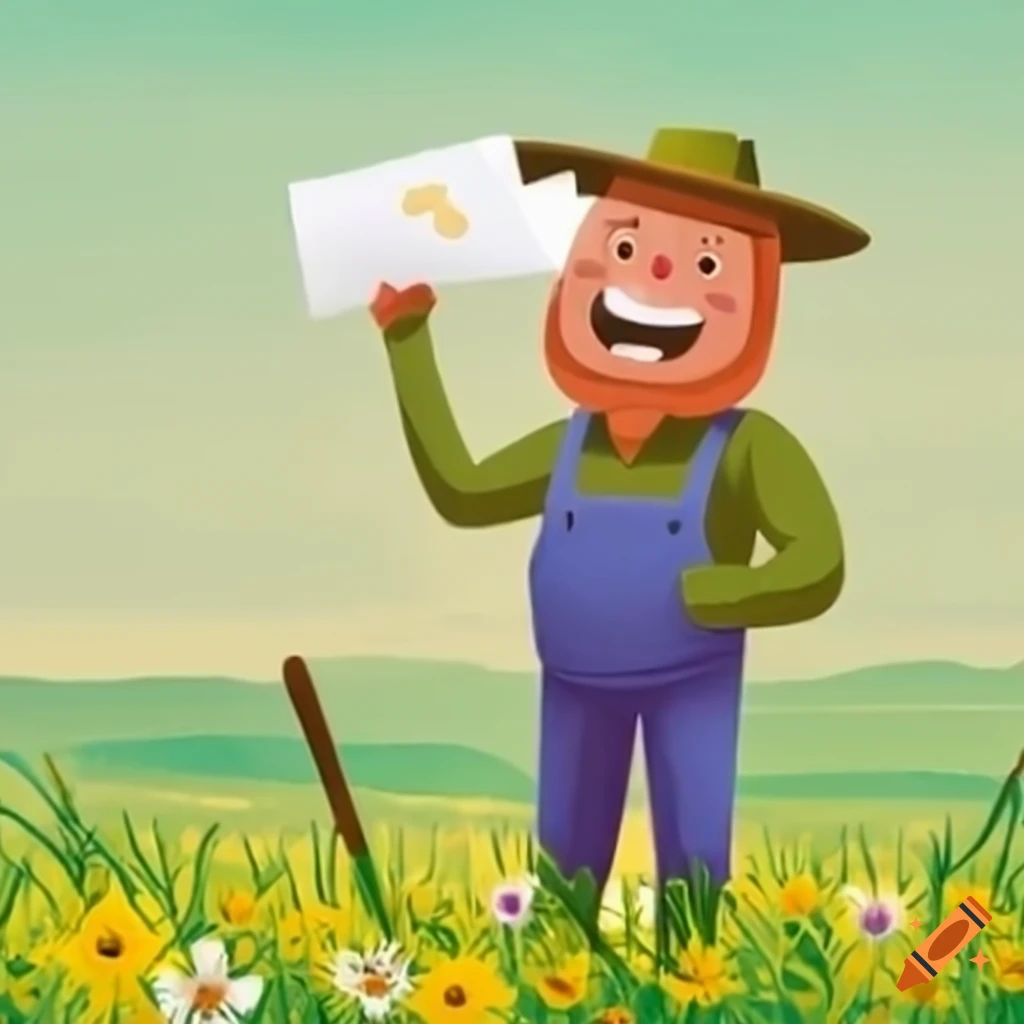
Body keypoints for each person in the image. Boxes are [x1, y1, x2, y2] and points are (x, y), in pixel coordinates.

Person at [366, 127, 869, 907]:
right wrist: (408, 344)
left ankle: (693, 986)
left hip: (692, 683)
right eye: (627, 249)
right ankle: (562, 984)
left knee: (693, 861)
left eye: (705, 263)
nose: (657, 275)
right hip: (573, 681)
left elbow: (818, 561)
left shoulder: (747, 447)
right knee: (566, 861)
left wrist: (727, 594)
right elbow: (463, 491)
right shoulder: (571, 441)